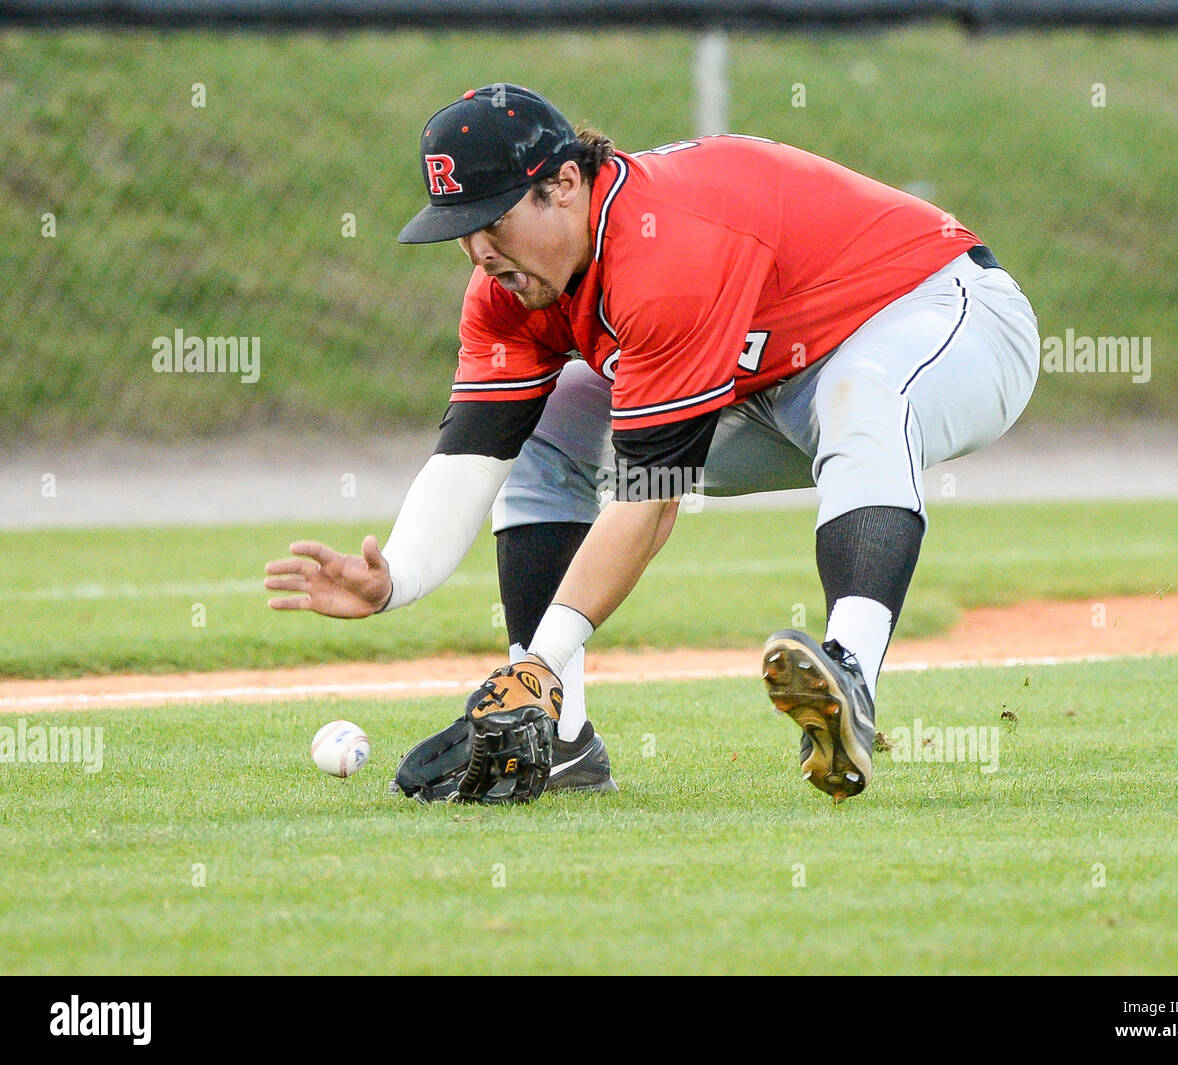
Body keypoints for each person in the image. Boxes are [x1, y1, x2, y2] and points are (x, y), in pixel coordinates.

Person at [264, 83, 1039, 803]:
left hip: (947, 316)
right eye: (462, 232)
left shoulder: (663, 248)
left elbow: (649, 501)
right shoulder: (511, 289)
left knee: (864, 395)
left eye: (493, 219)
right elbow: (475, 455)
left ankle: (852, 680)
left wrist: (536, 663)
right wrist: (394, 577)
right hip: (769, 382)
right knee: (548, 435)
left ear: (564, 183)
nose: (479, 253)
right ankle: (559, 735)